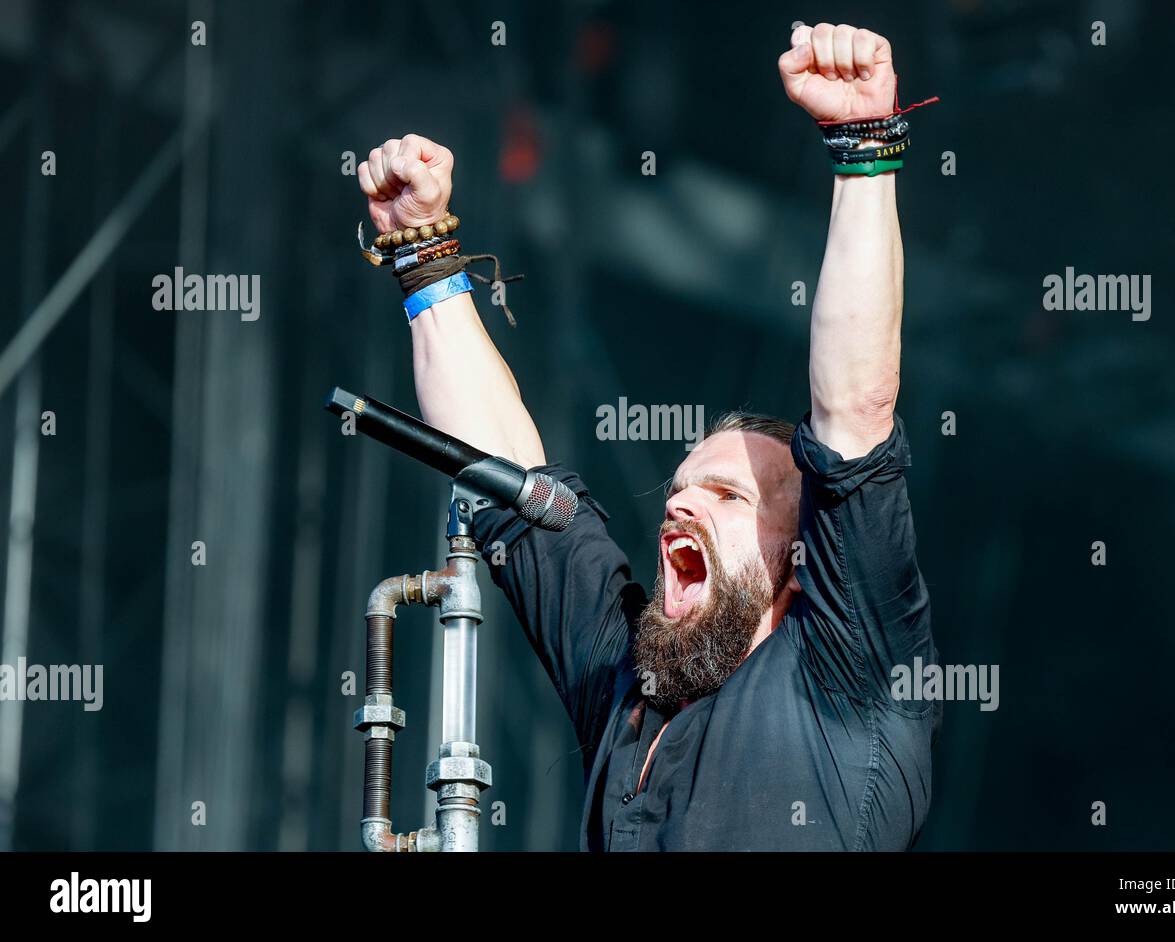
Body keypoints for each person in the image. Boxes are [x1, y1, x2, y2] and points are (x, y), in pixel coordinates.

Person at [357, 22, 938, 851]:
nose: (680, 507)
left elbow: (854, 415)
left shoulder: (849, 669)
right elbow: (508, 481)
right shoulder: (633, 675)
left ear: (805, 561)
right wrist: (422, 252)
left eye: (727, 494)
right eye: (680, 490)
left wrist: (863, 147)